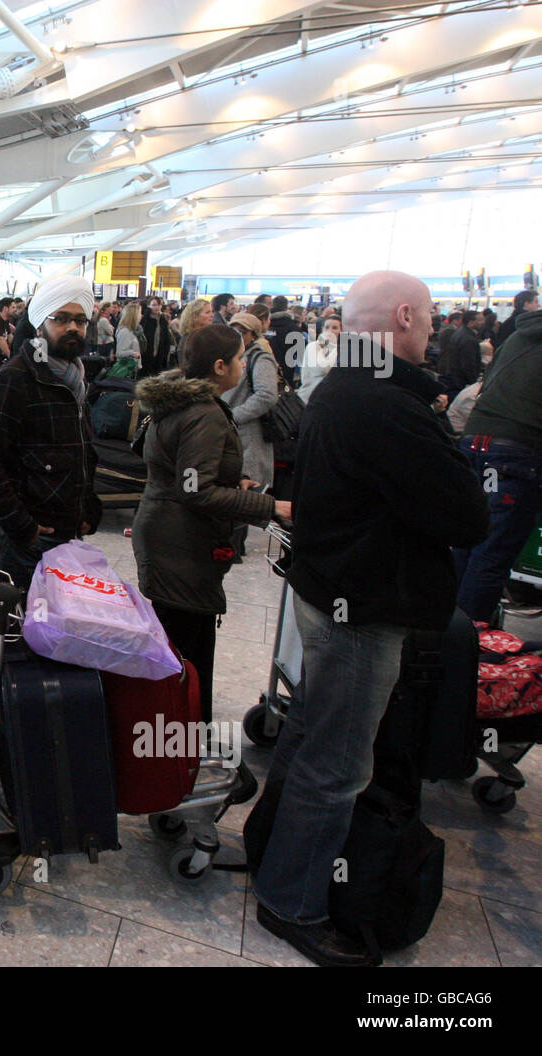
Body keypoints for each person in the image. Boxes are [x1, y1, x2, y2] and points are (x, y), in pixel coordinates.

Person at [253, 270, 489, 967]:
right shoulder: (385, 404)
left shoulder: (344, 388)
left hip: (331, 591)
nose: (434, 328)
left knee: (312, 738)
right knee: (338, 766)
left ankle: (275, 853)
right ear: (407, 315)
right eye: (430, 316)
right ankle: (292, 901)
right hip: (360, 609)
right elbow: (468, 514)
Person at [133, 324, 284, 723]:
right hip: (180, 544)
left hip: (170, 536)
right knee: (186, 652)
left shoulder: (184, 404)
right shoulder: (203, 414)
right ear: (220, 366)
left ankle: (177, 742)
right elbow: (196, 492)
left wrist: (235, 482)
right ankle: (176, 747)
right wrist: (268, 507)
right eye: (238, 359)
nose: (242, 366)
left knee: (182, 644)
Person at [0, 276, 102, 591]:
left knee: (53, 634)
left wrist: (89, 506)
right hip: (25, 543)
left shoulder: (75, 380)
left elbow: (80, 450)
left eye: (80, 320)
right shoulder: (15, 378)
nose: (73, 328)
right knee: (20, 633)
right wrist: (20, 525)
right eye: (62, 319)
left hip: (64, 536)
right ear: (40, 324)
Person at [453, 301, 542, 621]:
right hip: (515, 452)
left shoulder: (519, 335)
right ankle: (466, 648)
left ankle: (442, 641)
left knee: (466, 545)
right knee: (491, 556)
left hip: (475, 443)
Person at [223, 312, 279, 561]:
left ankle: (235, 545)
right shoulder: (238, 354)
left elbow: (267, 395)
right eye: (233, 329)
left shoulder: (260, 357)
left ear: (253, 334)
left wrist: (235, 415)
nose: (237, 334)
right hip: (235, 429)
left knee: (244, 484)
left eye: (242, 330)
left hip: (249, 433)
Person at [441, 309, 484, 398]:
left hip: (454, 377)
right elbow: (468, 364)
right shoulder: (468, 339)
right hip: (461, 381)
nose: (482, 322)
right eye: (479, 320)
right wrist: (473, 382)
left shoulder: (459, 333)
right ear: (471, 322)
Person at [298, 314, 340, 403]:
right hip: (308, 400)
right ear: (322, 330)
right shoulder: (313, 346)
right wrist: (338, 348)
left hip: (328, 402)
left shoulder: (343, 350)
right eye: (327, 327)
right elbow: (322, 369)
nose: (330, 331)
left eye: (335, 328)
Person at [114, 301, 143, 372]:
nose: (141, 315)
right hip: (126, 369)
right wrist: (133, 353)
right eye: (139, 313)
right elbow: (119, 353)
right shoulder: (125, 332)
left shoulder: (131, 330)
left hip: (131, 367)